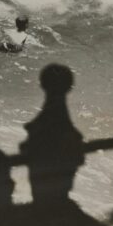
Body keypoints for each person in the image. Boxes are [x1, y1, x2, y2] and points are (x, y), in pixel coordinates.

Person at [19, 64, 84, 206]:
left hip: (41, 205)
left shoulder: (39, 127)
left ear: (42, 85)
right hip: (60, 205)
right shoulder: (65, 129)